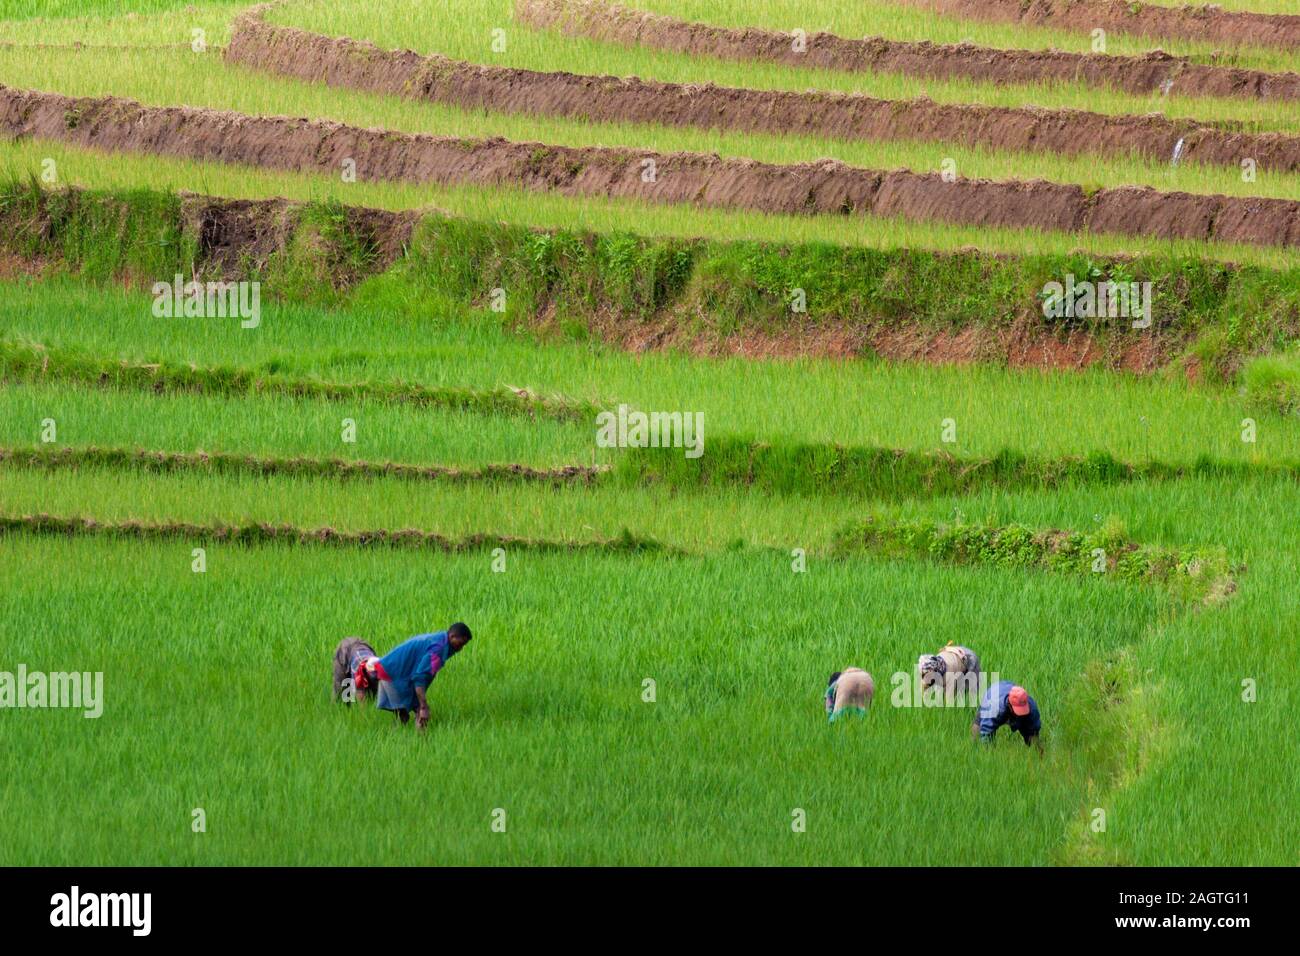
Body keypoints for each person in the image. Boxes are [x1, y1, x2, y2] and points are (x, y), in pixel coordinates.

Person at [359, 623, 473, 729]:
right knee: (405, 715)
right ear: (452, 636)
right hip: (393, 674)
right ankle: (402, 741)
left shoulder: (442, 639)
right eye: (461, 643)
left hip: (395, 670)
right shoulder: (438, 649)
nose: (461, 648)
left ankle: (420, 741)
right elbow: (420, 677)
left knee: (416, 712)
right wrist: (423, 706)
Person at [973, 681, 1042, 752]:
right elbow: (986, 731)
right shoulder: (994, 707)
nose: (1020, 714)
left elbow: (1034, 730)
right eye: (1018, 711)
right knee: (979, 728)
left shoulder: (1031, 707)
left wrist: (1036, 745)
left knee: (1033, 738)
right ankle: (975, 748)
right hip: (993, 695)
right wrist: (988, 752)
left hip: (1005, 688)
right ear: (1009, 705)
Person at [331, 636, 379, 703]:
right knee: (344, 695)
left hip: (362, 647)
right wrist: (363, 713)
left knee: (374, 696)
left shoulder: (383, 667)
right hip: (344, 653)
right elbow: (360, 693)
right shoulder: (360, 669)